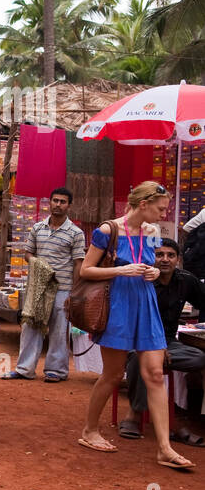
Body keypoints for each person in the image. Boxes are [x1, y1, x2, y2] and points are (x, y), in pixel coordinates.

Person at [77, 182, 194, 469]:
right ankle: (89, 431)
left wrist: (153, 271)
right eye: (160, 209)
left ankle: (164, 448)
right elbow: (85, 270)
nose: (163, 215)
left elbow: (147, 264)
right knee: (113, 374)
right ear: (143, 204)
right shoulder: (108, 231)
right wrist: (121, 269)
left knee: (154, 373)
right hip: (118, 305)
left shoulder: (152, 232)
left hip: (146, 303)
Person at [120, 239, 205, 444]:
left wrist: (161, 347)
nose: (165, 259)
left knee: (199, 357)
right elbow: (130, 318)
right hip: (138, 339)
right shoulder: (142, 280)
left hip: (169, 343)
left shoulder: (186, 280)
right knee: (139, 359)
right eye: (159, 255)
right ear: (152, 258)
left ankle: (177, 413)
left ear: (178, 259)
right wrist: (154, 347)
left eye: (170, 255)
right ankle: (134, 414)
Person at [2, 187, 87, 383]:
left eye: (62, 202)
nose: (58, 205)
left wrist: (74, 293)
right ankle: (24, 369)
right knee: (30, 327)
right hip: (38, 287)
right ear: (50, 202)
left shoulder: (76, 233)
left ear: (69, 205)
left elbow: (78, 264)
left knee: (59, 331)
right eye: (55, 200)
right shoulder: (37, 228)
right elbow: (28, 253)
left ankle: (56, 371)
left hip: (62, 288)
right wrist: (38, 264)